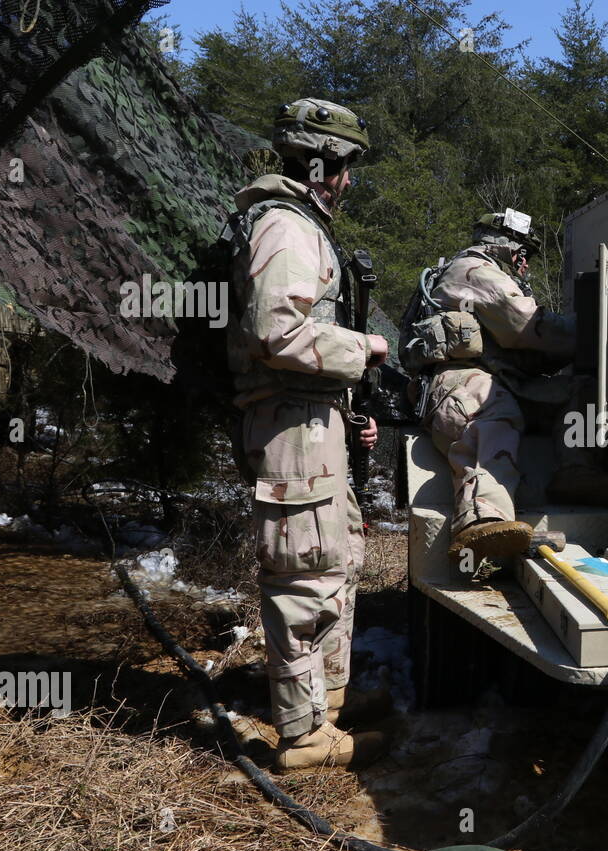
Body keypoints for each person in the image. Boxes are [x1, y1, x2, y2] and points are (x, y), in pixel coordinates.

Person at [227, 98, 389, 771]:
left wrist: (351, 415)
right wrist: (365, 347)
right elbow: (276, 332)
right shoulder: (288, 229)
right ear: (324, 163)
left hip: (312, 422)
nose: (349, 182)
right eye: (348, 167)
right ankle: (303, 736)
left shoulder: (297, 226)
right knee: (303, 579)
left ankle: (326, 704)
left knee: (335, 562)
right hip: (292, 429)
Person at [417, 209, 608, 566]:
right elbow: (527, 326)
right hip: (459, 382)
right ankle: (482, 523)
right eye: (523, 254)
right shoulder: (474, 271)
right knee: (493, 413)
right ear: (505, 246)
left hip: (503, 381)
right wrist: (597, 326)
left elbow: (529, 348)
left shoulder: (488, 274)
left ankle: (574, 472)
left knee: (582, 389)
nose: (525, 264)